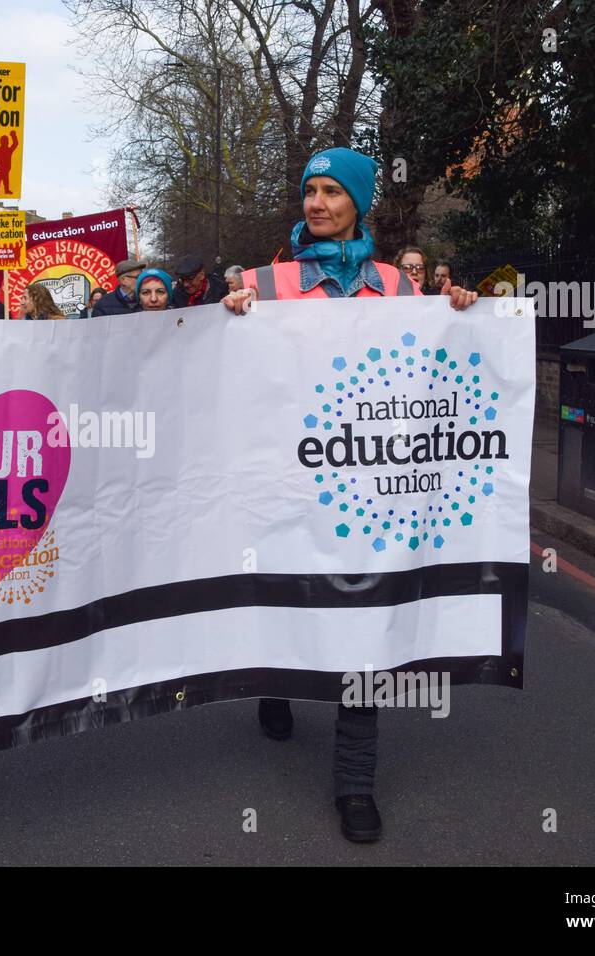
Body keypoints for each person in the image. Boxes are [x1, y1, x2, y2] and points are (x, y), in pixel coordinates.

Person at [223, 146, 477, 845]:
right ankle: (275, 684)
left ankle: (355, 782)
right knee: (282, 601)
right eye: (310, 191)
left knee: (363, 630)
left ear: (359, 203)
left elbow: (437, 364)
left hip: (366, 492)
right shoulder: (264, 282)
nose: (318, 204)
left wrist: (460, 312)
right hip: (284, 484)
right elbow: (221, 359)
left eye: (334, 191)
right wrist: (229, 312)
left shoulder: (399, 287)